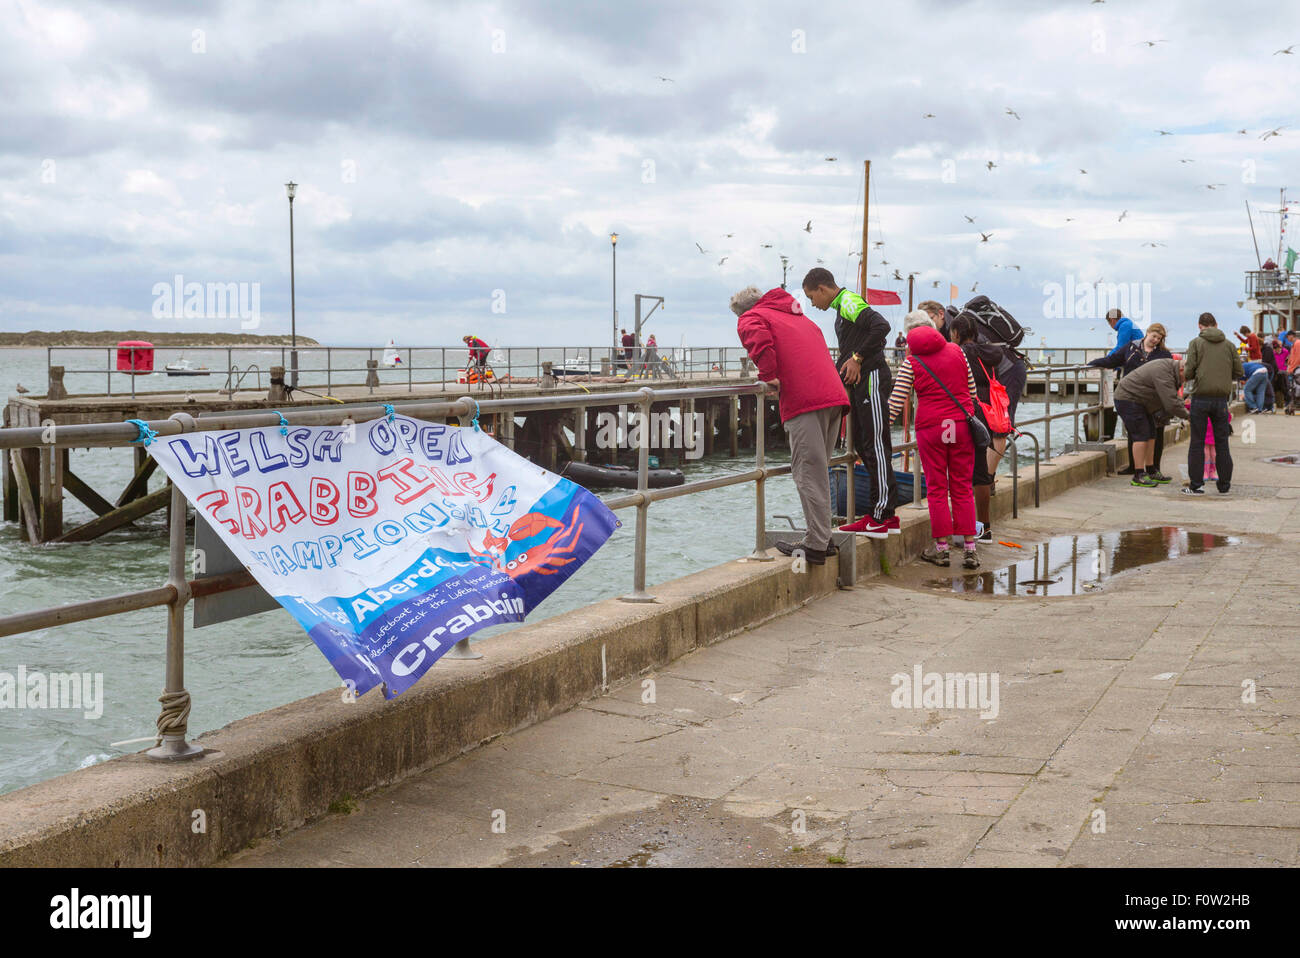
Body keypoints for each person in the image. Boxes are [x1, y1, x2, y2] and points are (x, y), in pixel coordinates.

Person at [732, 285, 849, 564]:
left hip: (805, 400)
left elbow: (759, 341)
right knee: (818, 470)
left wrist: (768, 375)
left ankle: (817, 543)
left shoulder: (752, 317)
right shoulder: (798, 317)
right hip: (833, 397)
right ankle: (823, 537)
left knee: (807, 472)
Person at [802, 268, 897, 538]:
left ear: (822, 288)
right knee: (864, 445)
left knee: (876, 445)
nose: (812, 304)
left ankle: (881, 515)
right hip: (860, 383)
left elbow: (881, 326)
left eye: (811, 297)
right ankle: (882, 514)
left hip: (872, 378)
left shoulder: (847, 301)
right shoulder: (841, 308)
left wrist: (857, 358)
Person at [888, 312, 980, 568]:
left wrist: (878, 423)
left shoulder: (912, 362)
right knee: (962, 487)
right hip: (960, 425)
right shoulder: (957, 352)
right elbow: (971, 392)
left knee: (938, 489)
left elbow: (896, 403)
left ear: (909, 338)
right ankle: (970, 548)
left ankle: (942, 549)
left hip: (931, 429)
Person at [1089, 322, 1172, 478]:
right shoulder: (1131, 348)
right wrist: (1094, 363)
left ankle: (1153, 468)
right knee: (1135, 431)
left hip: (1153, 399)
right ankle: (1135, 467)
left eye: (1158, 338)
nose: (1155, 340)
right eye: (1154, 336)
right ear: (1147, 333)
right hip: (1133, 397)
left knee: (1154, 433)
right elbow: (1113, 360)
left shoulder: (1162, 354)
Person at [950, 312, 1006, 542]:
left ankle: (964, 528)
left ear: (955, 333)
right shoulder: (988, 353)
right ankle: (985, 528)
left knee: (959, 472)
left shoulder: (960, 353)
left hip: (967, 412)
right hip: (985, 414)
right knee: (982, 474)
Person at [1183, 312, 1243, 495]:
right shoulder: (1230, 345)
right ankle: (1224, 485)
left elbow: (1188, 372)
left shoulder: (1195, 343)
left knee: (1197, 443)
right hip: (1221, 400)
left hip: (1200, 398)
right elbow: (1239, 371)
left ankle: (1196, 485)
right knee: (1222, 443)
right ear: (1216, 324)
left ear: (1200, 326)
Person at [1112, 358, 1190, 486]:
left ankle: (1151, 470)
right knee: (1141, 435)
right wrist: (1189, 416)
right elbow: (1171, 403)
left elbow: (1173, 397)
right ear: (1181, 369)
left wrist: (1184, 408)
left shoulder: (1171, 370)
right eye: (1186, 377)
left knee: (1151, 433)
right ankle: (1138, 474)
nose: (1185, 381)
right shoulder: (1164, 372)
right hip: (1128, 398)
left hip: (1142, 402)